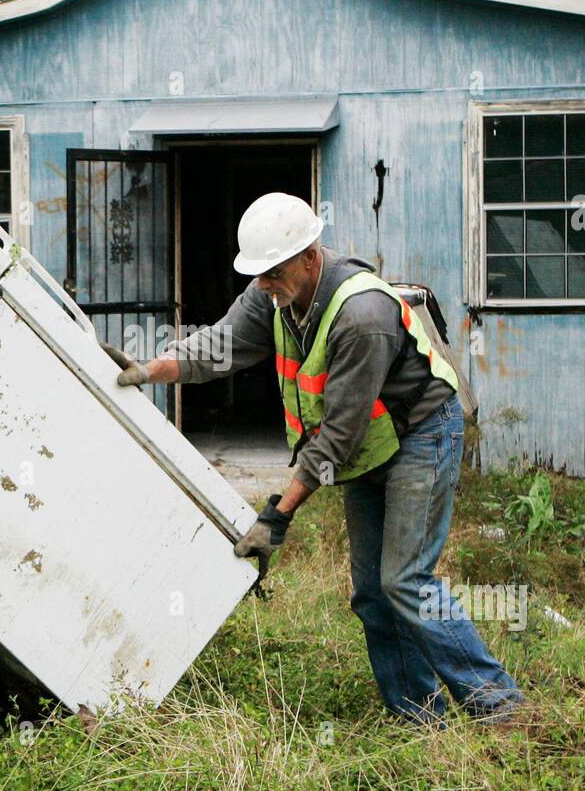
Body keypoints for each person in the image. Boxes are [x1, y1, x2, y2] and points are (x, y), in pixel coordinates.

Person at [104, 193, 524, 726]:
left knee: (405, 581)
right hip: (372, 439)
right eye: (258, 274)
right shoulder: (273, 295)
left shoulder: (361, 314)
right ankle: (419, 715)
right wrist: (149, 370)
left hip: (422, 433)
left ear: (309, 256)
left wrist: (277, 515)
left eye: (273, 272)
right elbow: (219, 347)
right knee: (372, 594)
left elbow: (337, 440)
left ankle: (499, 704)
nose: (263, 284)